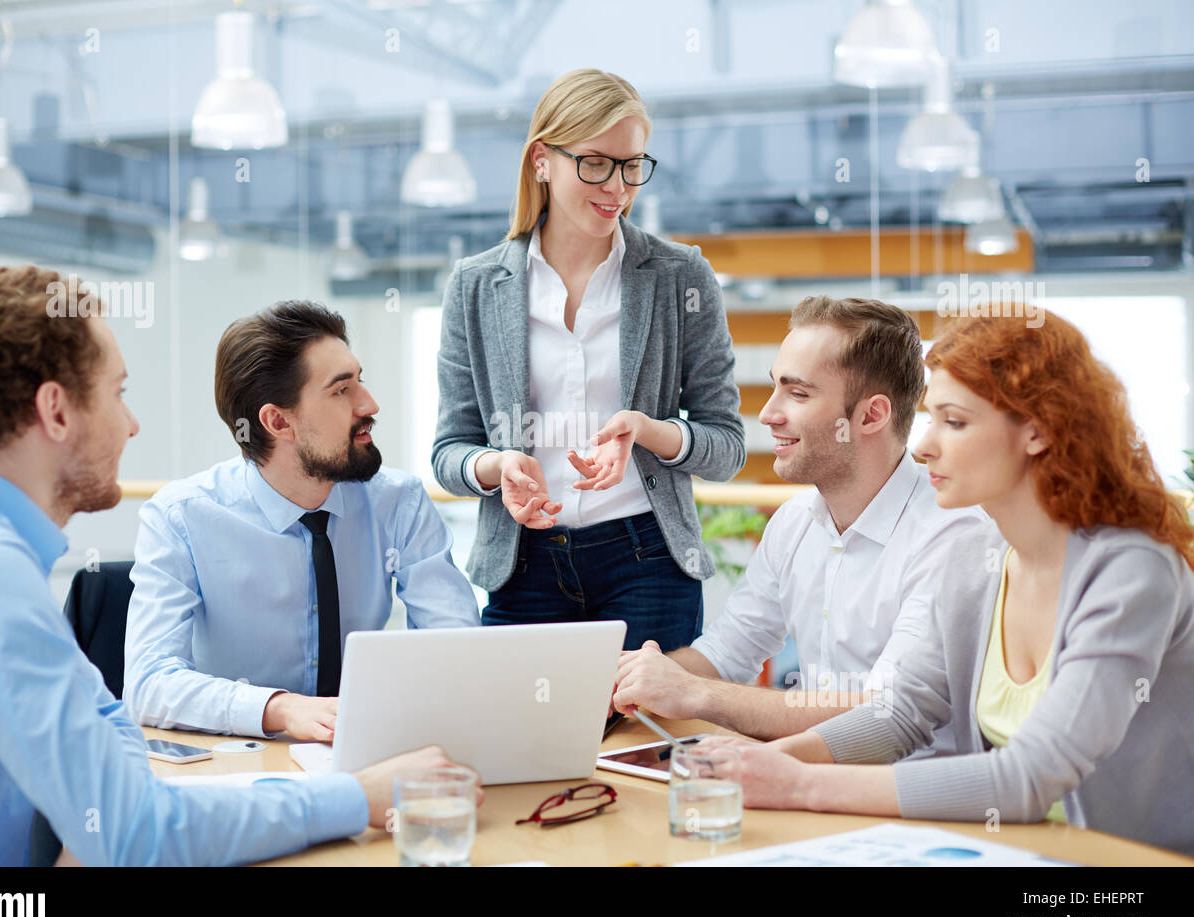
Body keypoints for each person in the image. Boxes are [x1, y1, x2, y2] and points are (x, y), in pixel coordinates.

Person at [0, 266, 479, 866]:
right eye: (118, 393)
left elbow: (111, 754)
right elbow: (139, 831)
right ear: (57, 412)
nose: (132, 425)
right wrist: (359, 796)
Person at [713, 309, 1194, 855]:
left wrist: (801, 785)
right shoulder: (975, 556)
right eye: (931, 418)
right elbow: (903, 711)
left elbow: (1030, 775)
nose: (924, 447)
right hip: (1012, 852)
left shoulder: (1131, 570)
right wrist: (769, 761)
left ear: (1038, 431)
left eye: (955, 422)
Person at [431, 68, 745, 652]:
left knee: (643, 715)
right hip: (523, 566)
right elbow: (449, 453)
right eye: (596, 163)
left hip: (648, 562)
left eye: (632, 165)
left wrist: (648, 430)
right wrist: (498, 466)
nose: (618, 188)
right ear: (541, 161)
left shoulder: (680, 277)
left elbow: (726, 446)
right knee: (519, 716)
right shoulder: (475, 286)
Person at [612, 296, 986, 746]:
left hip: (905, 787)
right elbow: (725, 653)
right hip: (807, 775)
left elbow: (885, 714)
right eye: (775, 387)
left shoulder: (953, 534)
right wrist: (629, 678)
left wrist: (694, 693)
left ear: (871, 415)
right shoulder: (793, 523)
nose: (768, 413)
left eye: (798, 393)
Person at [124, 300, 481, 741]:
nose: (369, 404)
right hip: (239, 761)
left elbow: (457, 649)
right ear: (278, 421)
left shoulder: (398, 502)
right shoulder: (180, 518)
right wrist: (280, 708)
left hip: (362, 750)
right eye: (341, 390)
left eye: (360, 381)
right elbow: (148, 684)